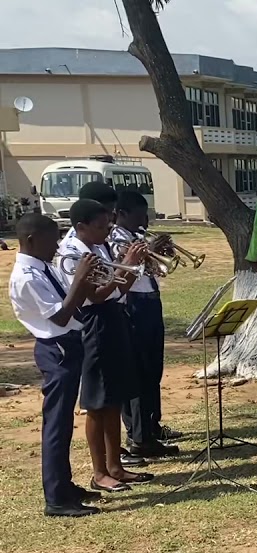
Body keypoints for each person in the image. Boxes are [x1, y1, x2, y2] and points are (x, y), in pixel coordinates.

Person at [9, 213, 103, 516]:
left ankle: (65, 485)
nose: (58, 246)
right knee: (57, 425)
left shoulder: (43, 268)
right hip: (56, 348)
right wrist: (80, 279)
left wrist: (86, 280)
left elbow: (71, 306)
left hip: (67, 344)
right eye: (53, 240)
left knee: (63, 426)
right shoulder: (27, 277)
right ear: (32, 240)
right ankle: (56, 498)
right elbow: (60, 316)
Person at [58, 199, 151, 494]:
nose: (106, 232)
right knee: (98, 403)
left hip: (113, 318)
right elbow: (96, 296)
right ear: (81, 227)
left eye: (107, 226)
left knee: (114, 398)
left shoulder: (99, 247)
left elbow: (118, 289)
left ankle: (115, 466)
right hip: (94, 323)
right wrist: (127, 267)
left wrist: (130, 267)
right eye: (100, 227)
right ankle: (99, 473)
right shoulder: (72, 253)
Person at [110, 190, 178, 458]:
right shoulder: (115, 239)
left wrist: (160, 252)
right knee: (139, 370)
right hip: (133, 305)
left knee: (153, 369)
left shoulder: (137, 238)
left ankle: (150, 425)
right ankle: (138, 436)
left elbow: (158, 270)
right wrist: (142, 255)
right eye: (140, 216)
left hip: (150, 302)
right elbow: (124, 271)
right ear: (122, 214)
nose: (145, 220)